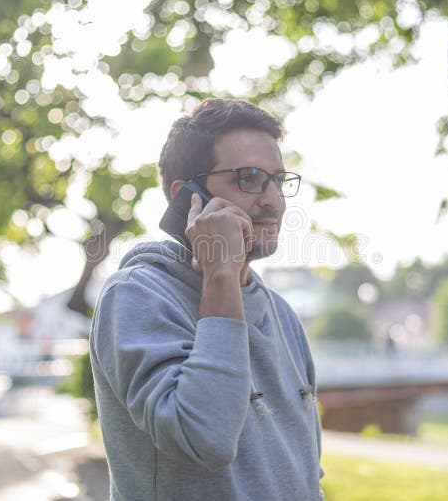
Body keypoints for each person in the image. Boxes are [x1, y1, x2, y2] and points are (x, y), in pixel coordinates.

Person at [89, 98, 324, 500]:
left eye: (278, 180)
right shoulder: (134, 295)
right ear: (187, 197)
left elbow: (306, 472)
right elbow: (207, 436)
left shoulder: (281, 313)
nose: (274, 200)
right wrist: (221, 273)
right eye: (250, 178)